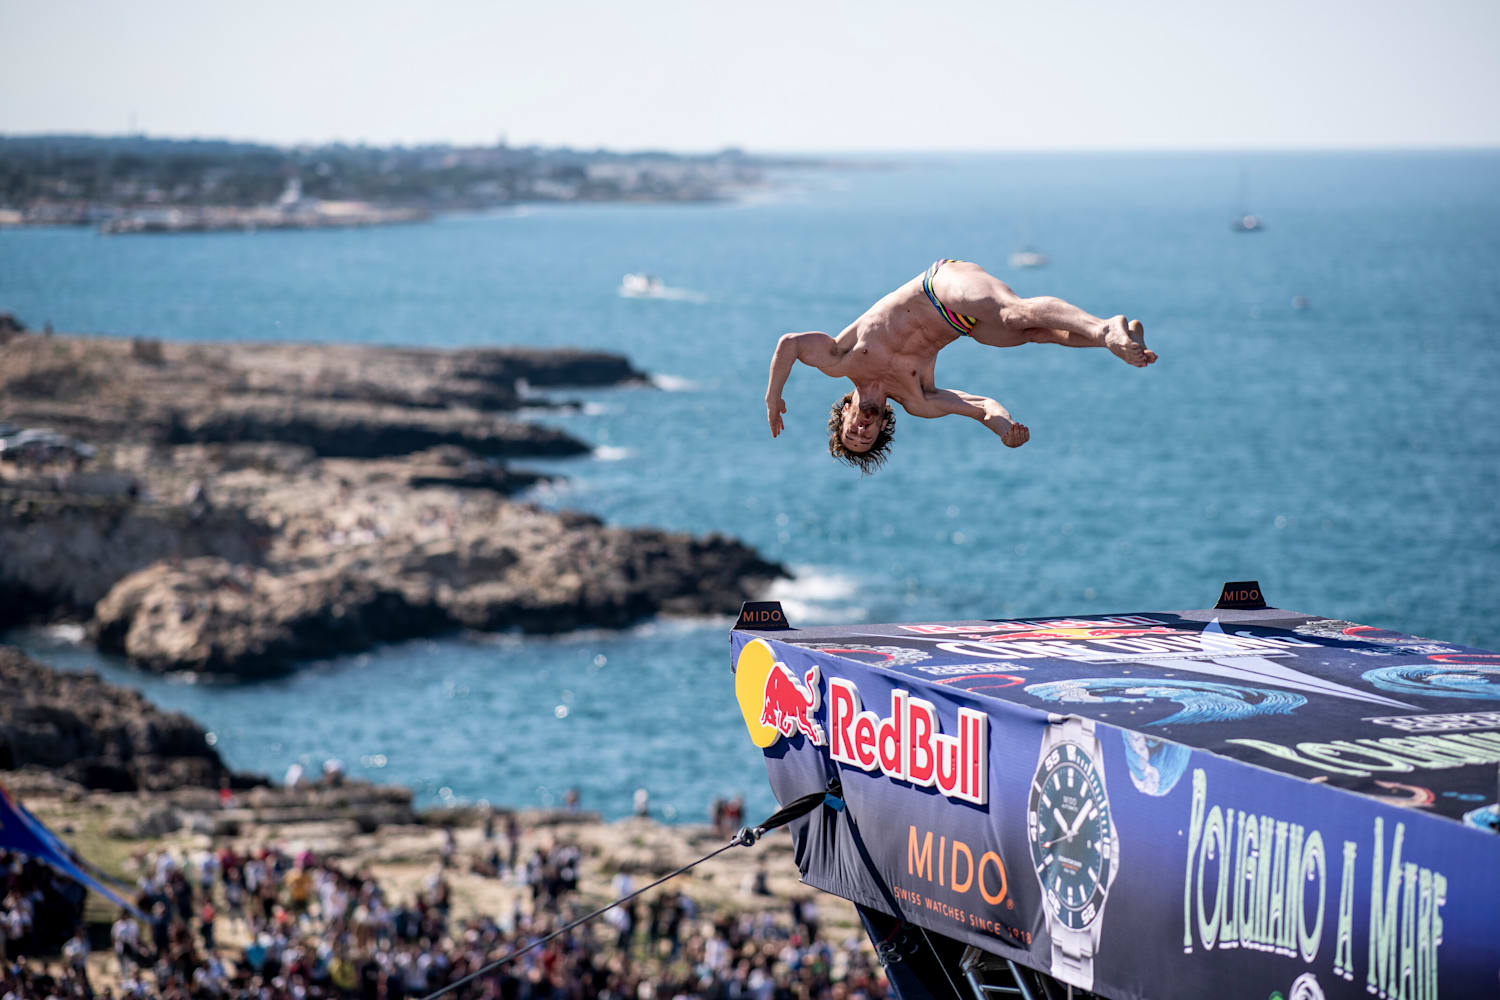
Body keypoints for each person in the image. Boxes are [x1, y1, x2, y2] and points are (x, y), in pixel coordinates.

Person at [765, 259, 1155, 472]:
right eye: (866, 438)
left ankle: (1105, 329)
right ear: (883, 427)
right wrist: (1005, 429)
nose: (862, 430)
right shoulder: (917, 400)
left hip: (940, 286)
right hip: (963, 323)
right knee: (1036, 333)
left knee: (1013, 314)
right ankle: (1118, 339)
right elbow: (981, 406)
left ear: (844, 413)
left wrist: (774, 396)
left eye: (853, 432)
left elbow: (790, 345)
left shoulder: (840, 361)